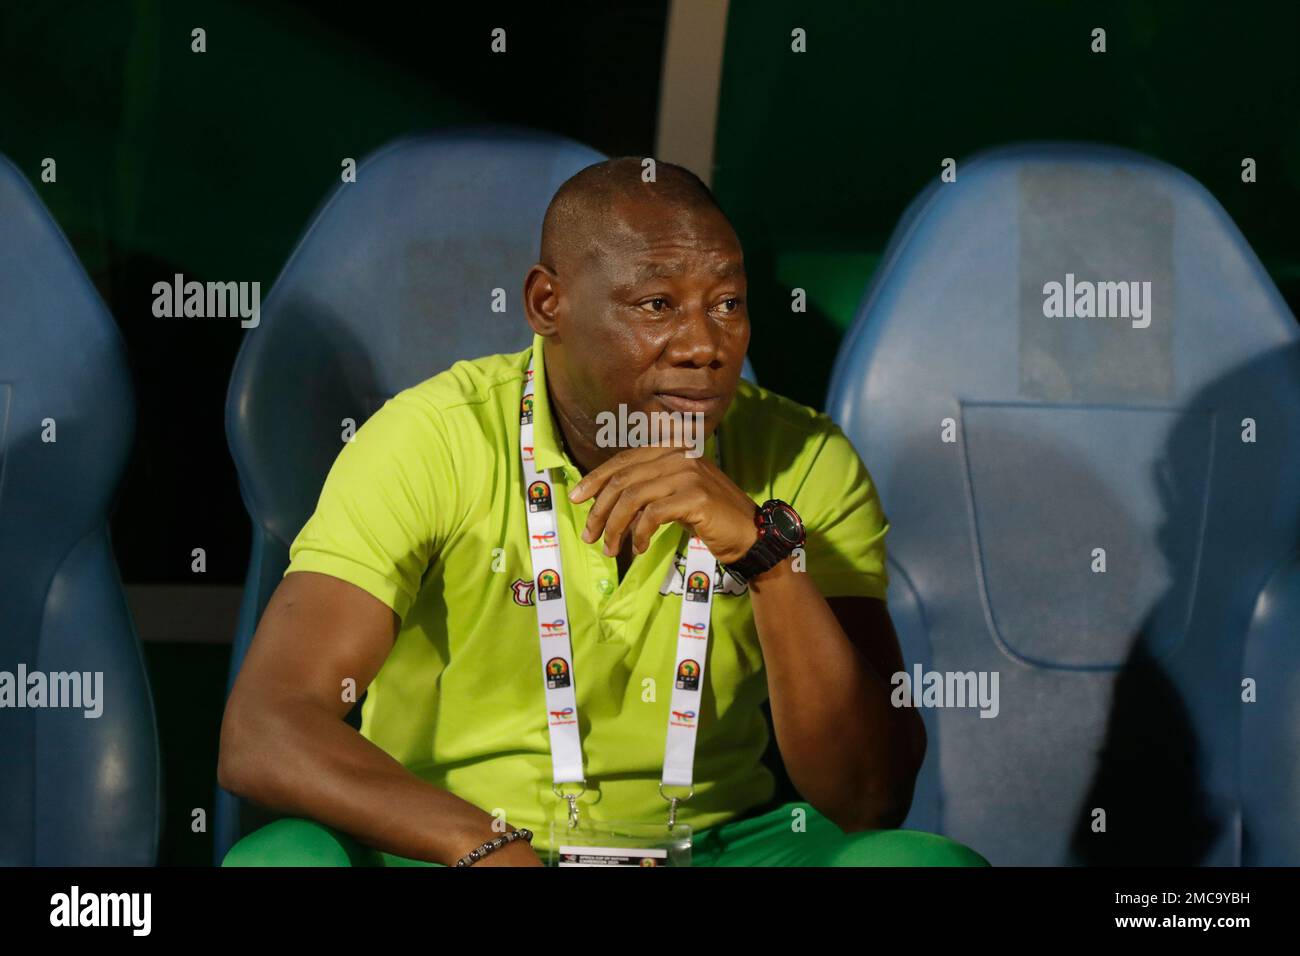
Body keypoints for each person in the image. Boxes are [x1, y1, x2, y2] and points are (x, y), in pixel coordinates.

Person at [217, 157, 989, 867]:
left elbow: (870, 796)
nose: (704, 346)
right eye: (657, 304)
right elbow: (264, 731)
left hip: (711, 847)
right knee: (277, 862)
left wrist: (765, 557)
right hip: (457, 846)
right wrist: (482, 843)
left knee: (919, 866)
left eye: (727, 304)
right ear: (547, 303)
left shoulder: (806, 459)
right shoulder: (430, 439)